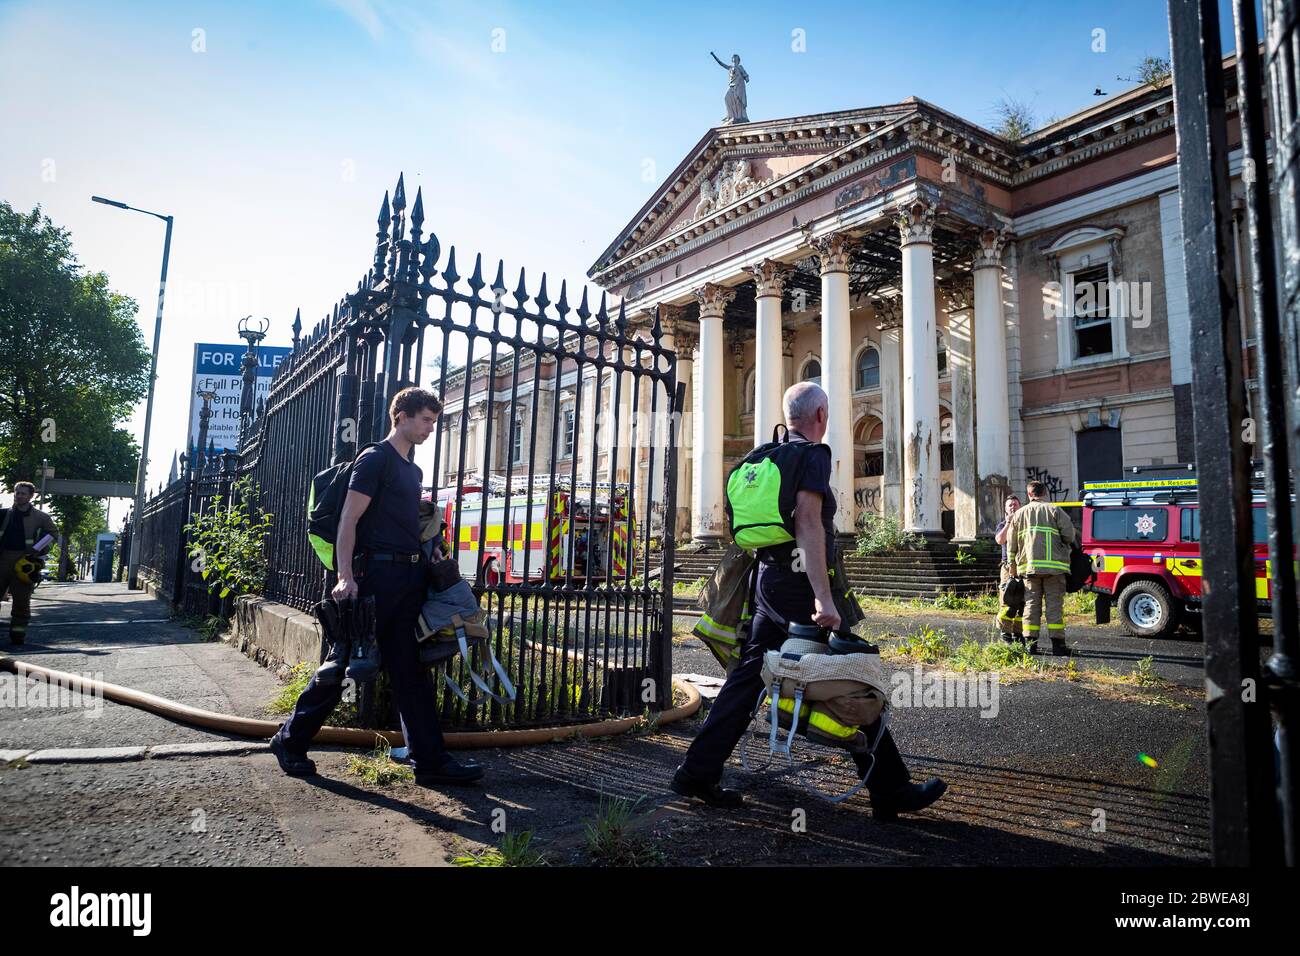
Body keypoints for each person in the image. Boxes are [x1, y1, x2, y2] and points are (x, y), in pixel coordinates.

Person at [670, 382, 947, 820]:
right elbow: (808, 524)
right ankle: (890, 789)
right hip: (800, 587)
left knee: (749, 678)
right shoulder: (813, 455)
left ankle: (696, 771)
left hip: (766, 581)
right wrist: (824, 599)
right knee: (850, 672)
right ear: (820, 416)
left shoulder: (762, 456)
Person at [270, 386, 484, 787]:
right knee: (344, 665)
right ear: (400, 416)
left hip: (409, 578)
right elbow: (348, 520)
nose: (429, 429)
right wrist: (345, 576)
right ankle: (290, 740)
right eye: (424, 420)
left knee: (409, 671)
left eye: (434, 422)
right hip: (374, 580)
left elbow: (402, 524)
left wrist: (430, 554)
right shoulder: (375, 459)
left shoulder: (413, 470)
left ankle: (430, 760)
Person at [1005, 480, 1076, 656]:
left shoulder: (1019, 515)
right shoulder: (1055, 510)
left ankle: (1031, 645)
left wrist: (1012, 568)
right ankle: (1058, 646)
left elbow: (1011, 545)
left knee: (1030, 606)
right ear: (1044, 493)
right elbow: (1069, 536)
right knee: (1054, 607)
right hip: (1055, 569)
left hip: (1029, 569)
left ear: (1029, 495)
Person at [0, 481, 59, 645]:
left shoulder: (41, 517)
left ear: (31, 496)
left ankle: (17, 636)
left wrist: (37, 550)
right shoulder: (4, 514)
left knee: (21, 602)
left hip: (25, 563)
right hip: (3, 559)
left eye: (23, 493)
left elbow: (53, 534)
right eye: (17, 492)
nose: (19, 496)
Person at [994, 494, 1023, 641]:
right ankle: (1005, 632)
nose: (1013, 506)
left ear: (1020, 507)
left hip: (1023, 566)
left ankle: (1018, 633)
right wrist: (1008, 523)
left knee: (1022, 602)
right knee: (1006, 600)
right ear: (1005, 510)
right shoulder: (1001, 525)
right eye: (1010, 505)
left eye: (1015, 504)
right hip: (1007, 567)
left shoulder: (1025, 523)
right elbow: (1000, 540)